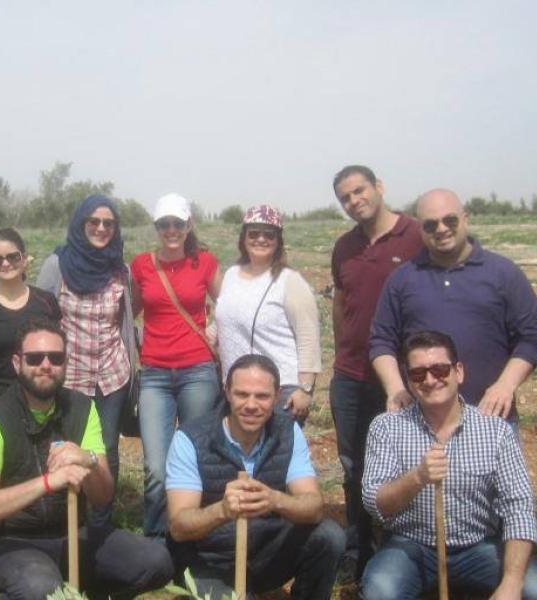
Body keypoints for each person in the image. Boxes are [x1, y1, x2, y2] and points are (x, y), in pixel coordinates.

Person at [0, 319, 174, 599]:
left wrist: (90, 461)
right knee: (42, 589)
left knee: (157, 561)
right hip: (7, 541)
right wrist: (47, 483)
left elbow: (103, 496)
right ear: (16, 363)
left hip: (71, 532)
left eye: (56, 358)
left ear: (66, 363)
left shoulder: (83, 409)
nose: (45, 365)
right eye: (34, 358)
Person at [361, 331, 537, 599]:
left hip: (480, 545)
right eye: (418, 374)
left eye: (440, 369)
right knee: (379, 592)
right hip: (410, 546)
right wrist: (417, 478)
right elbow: (375, 503)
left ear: (459, 372)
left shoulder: (495, 432)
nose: (430, 380)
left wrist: (511, 584)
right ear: (408, 381)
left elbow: (519, 508)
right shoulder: (387, 427)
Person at [166, 354, 346, 600]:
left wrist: (275, 500)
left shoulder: (288, 432)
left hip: (268, 554)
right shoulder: (190, 439)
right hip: (210, 562)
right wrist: (222, 511)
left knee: (329, 537)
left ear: (276, 395)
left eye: (262, 396)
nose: (251, 405)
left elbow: (313, 506)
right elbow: (178, 526)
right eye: (242, 394)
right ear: (226, 392)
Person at [369, 188, 537, 420]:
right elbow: (381, 340)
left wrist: (505, 386)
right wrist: (396, 389)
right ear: (420, 229)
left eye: (450, 220)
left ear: (465, 218)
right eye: (430, 225)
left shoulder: (503, 273)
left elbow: (530, 339)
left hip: (489, 417)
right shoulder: (403, 278)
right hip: (420, 420)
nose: (441, 229)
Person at [328, 165, 424, 579]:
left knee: (407, 462)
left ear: (379, 188)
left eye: (359, 191)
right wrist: (342, 352)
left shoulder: (417, 235)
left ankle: (402, 547)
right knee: (354, 466)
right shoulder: (344, 246)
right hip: (351, 375)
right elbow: (340, 302)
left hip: (406, 378)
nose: (354, 201)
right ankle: (358, 547)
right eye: (346, 197)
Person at [37, 195, 138, 527]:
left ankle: (101, 525)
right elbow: (41, 315)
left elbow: (128, 315)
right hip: (71, 376)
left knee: (106, 447)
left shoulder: (120, 269)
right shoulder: (58, 265)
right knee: (68, 446)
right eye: (93, 222)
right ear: (81, 224)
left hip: (112, 373)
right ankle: (66, 520)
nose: (101, 228)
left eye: (109, 223)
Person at [130, 192, 223, 538]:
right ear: (157, 227)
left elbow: (227, 307)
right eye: (164, 224)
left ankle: (194, 532)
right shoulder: (141, 264)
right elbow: (132, 311)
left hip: (197, 370)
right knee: (155, 464)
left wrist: (213, 333)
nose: (171, 230)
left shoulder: (206, 262)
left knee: (195, 454)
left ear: (189, 225)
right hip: (154, 372)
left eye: (178, 224)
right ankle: (156, 538)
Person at [213, 204, 320, 422]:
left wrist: (306, 389)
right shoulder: (232, 274)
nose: (260, 239)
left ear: (278, 240)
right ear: (243, 238)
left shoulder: (290, 281)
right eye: (253, 233)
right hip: (238, 388)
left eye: (269, 235)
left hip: (280, 391)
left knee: (275, 455)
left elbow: (308, 336)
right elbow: (224, 319)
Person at [0, 228, 61, 416]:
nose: (5, 264)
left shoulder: (46, 302)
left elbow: (55, 349)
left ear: (24, 258)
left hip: (40, 399)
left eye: (12, 257)